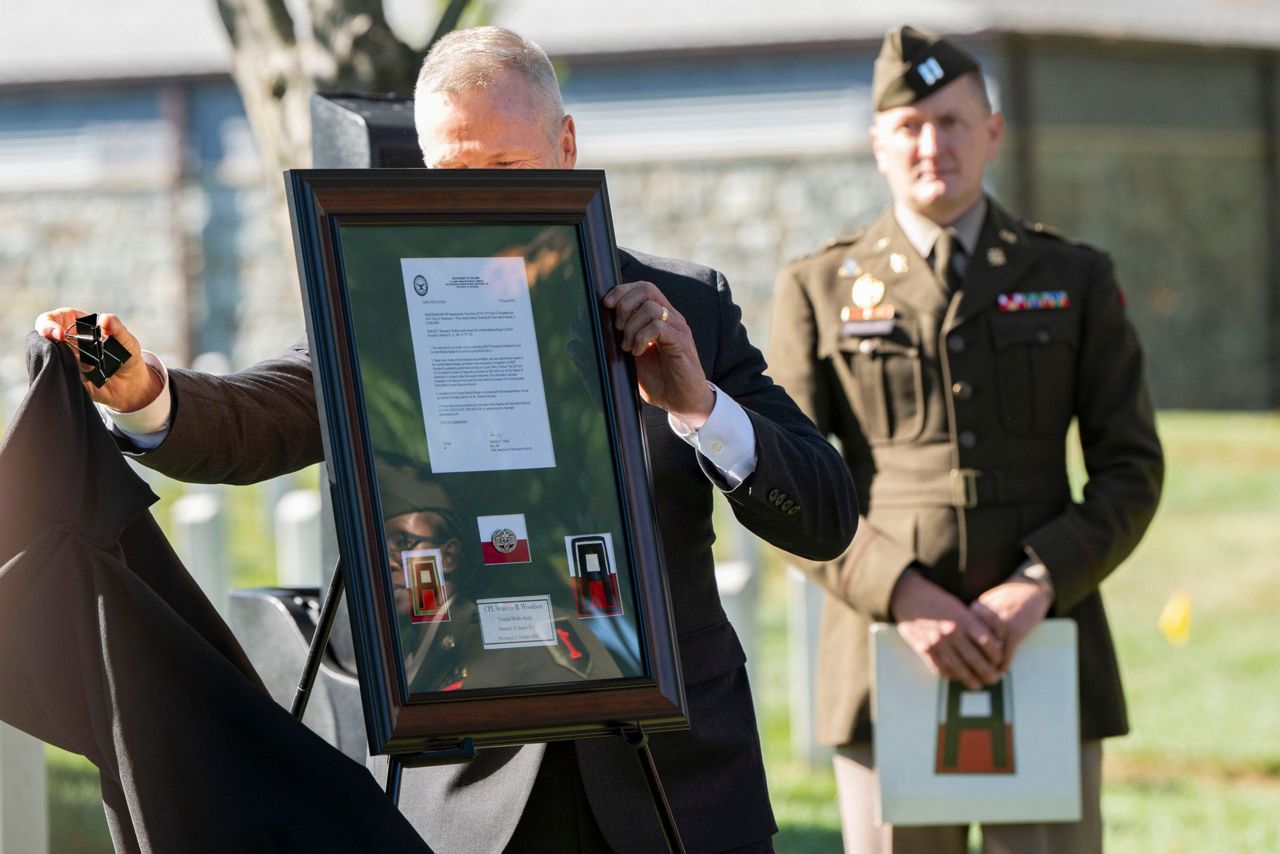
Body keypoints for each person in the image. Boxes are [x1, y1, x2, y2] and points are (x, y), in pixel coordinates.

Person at [36, 26, 858, 854]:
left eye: (504, 172)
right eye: (450, 175)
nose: (477, 202)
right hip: (476, 794)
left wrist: (700, 406)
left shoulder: (687, 306)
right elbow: (264, 413)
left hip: (678, 790)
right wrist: (146, 393)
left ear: (565, 145)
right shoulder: (382, 304)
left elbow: (823, 514)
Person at [767, 25, 1163, 854]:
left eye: (951, 121)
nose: (930, 144)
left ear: (993, 132)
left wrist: (1039, 585)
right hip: (887, 652)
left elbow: (1130, 468)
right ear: (878, 144)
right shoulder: (816, 288)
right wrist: (904, 594)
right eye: (908, 126)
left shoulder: (1072, 278)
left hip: (1044, 644)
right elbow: (789, 492)